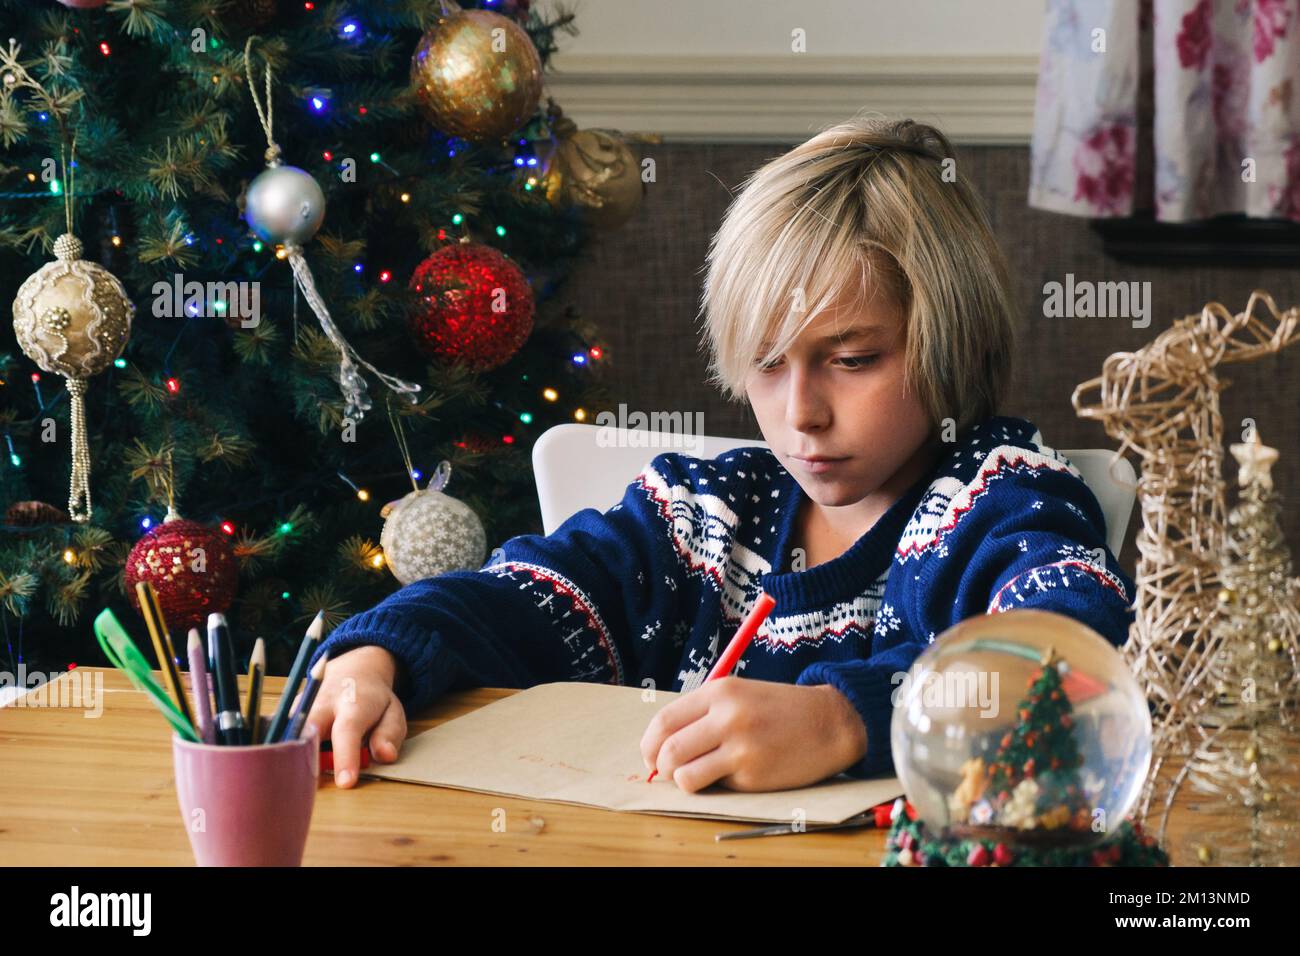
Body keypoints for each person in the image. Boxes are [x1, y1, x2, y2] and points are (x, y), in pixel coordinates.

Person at [304, 115, 1136, 793]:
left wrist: (848, 720)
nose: (801, 413)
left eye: (852, 361)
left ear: (950, 341)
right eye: (768, 364)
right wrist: (376, 657)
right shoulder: (699, 519)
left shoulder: (1006, 498)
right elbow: (521, 599)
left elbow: (1070, 660)